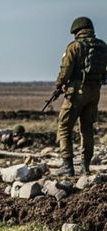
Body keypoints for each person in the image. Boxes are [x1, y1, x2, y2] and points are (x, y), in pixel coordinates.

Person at [54, 17, 107, 176]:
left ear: (76, 31)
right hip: (94, 92)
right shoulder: (102, 46)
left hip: (77, 92)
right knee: (87, 128)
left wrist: (59, 85)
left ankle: (68, 166)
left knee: (64, 127)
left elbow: (65, 71)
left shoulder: (74, 47)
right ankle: (85, 166)